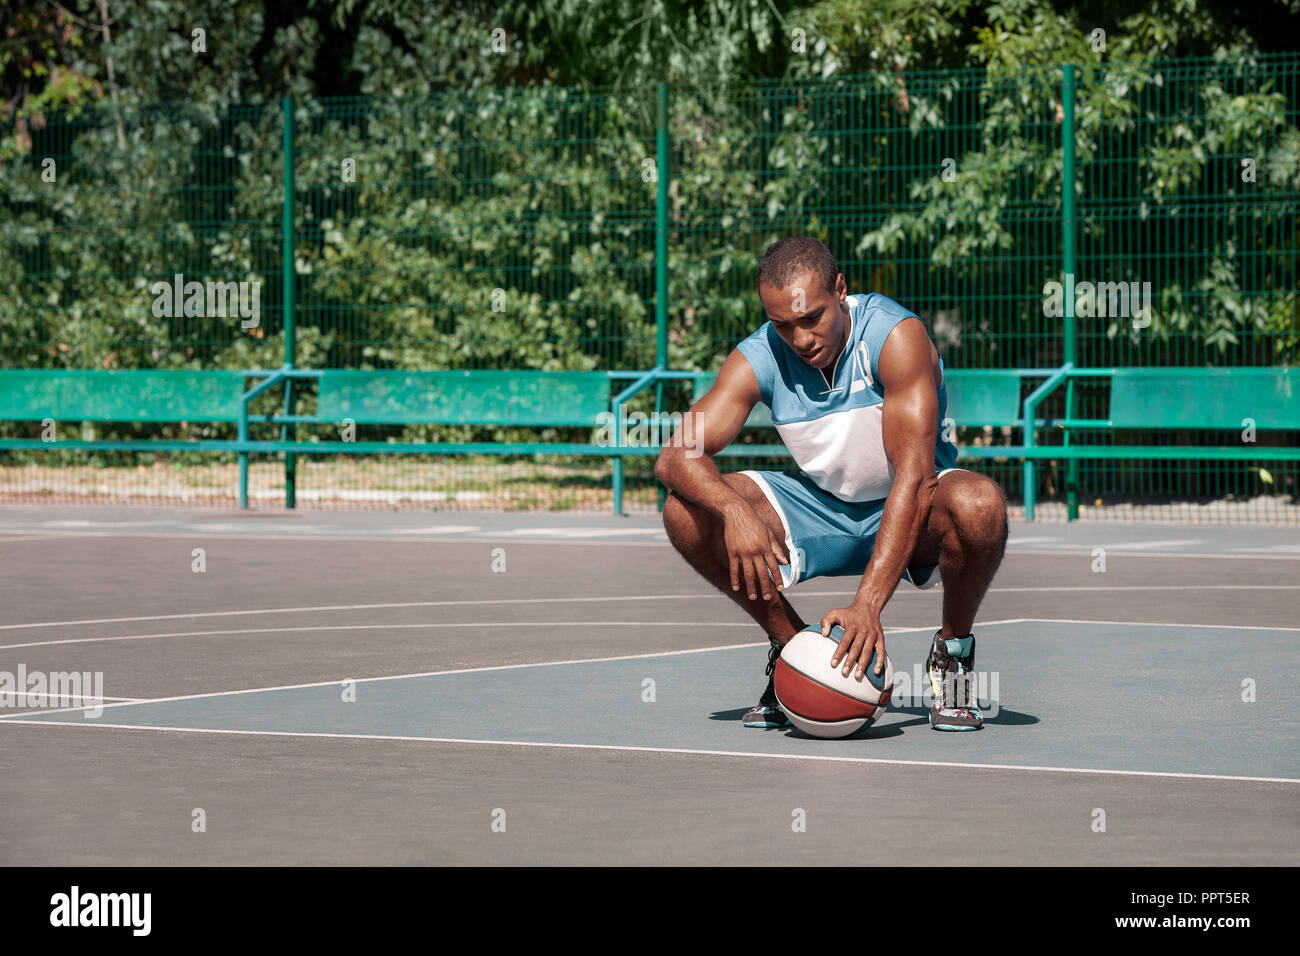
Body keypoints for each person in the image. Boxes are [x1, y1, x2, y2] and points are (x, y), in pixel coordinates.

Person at [655, 236, 1008, 731]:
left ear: (841, 290)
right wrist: (735, 512)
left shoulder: (893, 336)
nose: (800, 339)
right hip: (823, 508)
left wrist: (867, 605)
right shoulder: (759, 355)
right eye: (783, 324)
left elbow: (914, 476)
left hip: (915, 505)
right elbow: (676, 453)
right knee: (685, 512)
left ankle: (953, 651)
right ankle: (791, 649)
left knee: (980, 503)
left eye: (812, 318)